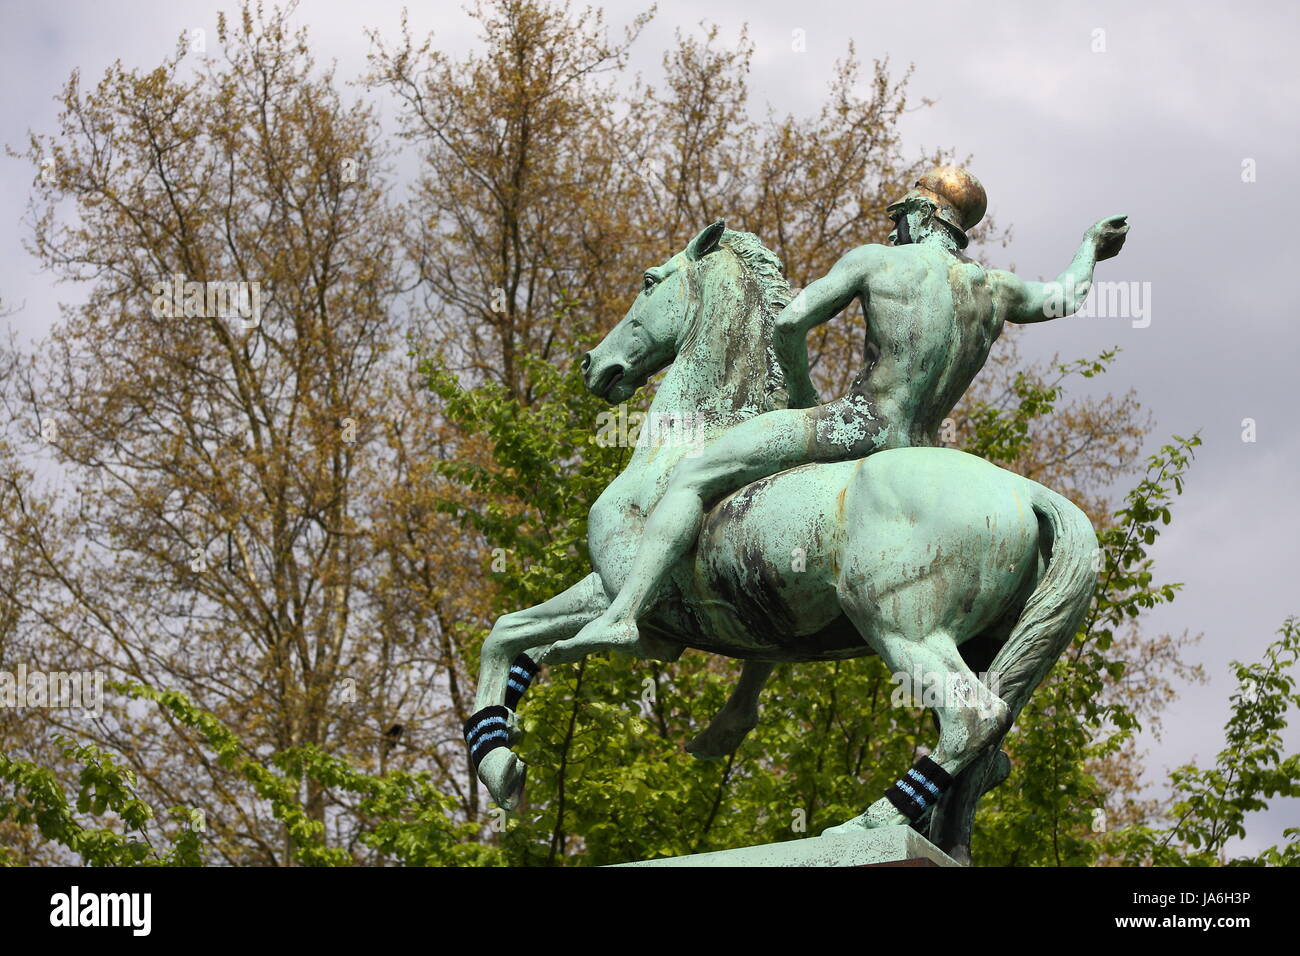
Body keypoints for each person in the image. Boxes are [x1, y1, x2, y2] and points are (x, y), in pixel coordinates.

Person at [555, 166, 1129, 658]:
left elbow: (788, 321)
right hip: (920, 445)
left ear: (925, 218)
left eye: (902, 214)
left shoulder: (877, 262)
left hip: (856, 424)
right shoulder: (996, 289)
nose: (893, 225)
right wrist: (1089, 247)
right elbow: (1066, 295)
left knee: (696, 471)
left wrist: (802, 390)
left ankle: (625, 611)